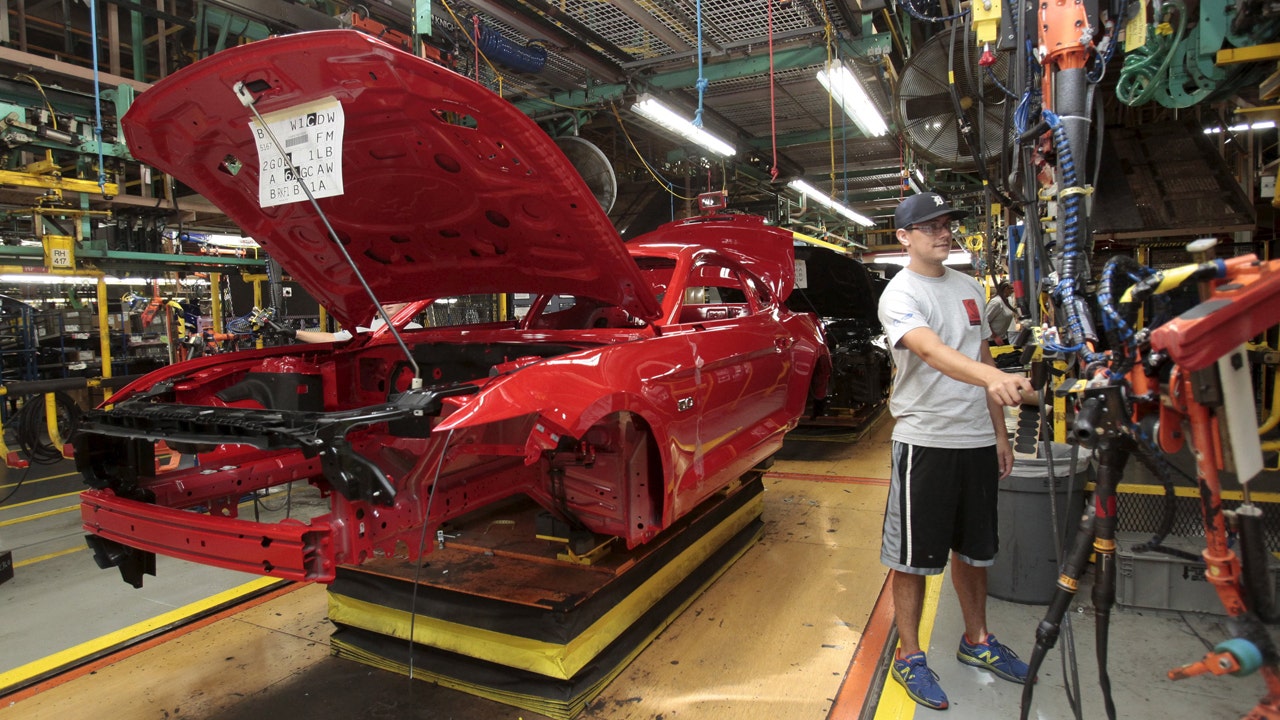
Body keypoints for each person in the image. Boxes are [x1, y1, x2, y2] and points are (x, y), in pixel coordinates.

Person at [875, 192, 1036, 710]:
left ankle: (977, 642)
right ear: (904, 237)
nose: (943, 233)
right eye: (929, 227)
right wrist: (996, 377)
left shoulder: (969, 286)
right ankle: (910, 656)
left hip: (974, 440)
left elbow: (979, 352)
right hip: (925, 442)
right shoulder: (899, 294)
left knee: (975, 549)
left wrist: (1000, 433)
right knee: (912, 559)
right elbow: (931, 351)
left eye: (946, 224)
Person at [270, 302, 422, 343]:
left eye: (394, 299)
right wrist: (294, 333)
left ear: (406, 304)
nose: (388, 303)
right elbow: (332, 338)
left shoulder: (418, 330)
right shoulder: (368, 327)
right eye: (384, 300)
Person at [984, 281, 1016, 345]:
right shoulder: (996, 302)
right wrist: (995, 336)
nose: (1013, 290)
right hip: (992, 340)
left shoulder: (1009, 299)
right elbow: (985, 321)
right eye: (1011, 288)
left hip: (1003, 337)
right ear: (1006, 289)